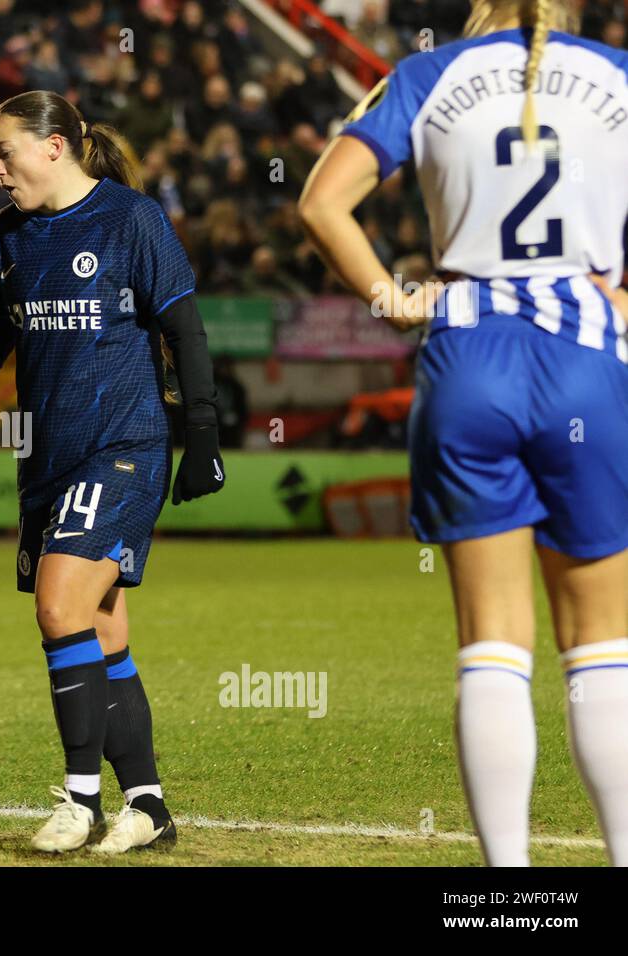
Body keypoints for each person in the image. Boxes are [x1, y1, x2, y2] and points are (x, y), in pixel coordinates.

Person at [299, 0, 628, 866]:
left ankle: (507, 891)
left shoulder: (424, 73)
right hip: (585, 359)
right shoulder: (618, 76)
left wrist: (394, 299)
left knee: (490, 642)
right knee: (600, 648)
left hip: (467, 359)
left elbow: (322, 204)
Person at [0, 90, 226, 855]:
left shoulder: (132, 220)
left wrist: (203, 432)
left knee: (58, 607)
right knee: (101, 628)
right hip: (45, 458)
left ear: (55, 146)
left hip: (124, 445)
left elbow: (184, 324)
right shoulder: (6, 236)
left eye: (3, 153)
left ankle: (80, 801)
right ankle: (147, 806)